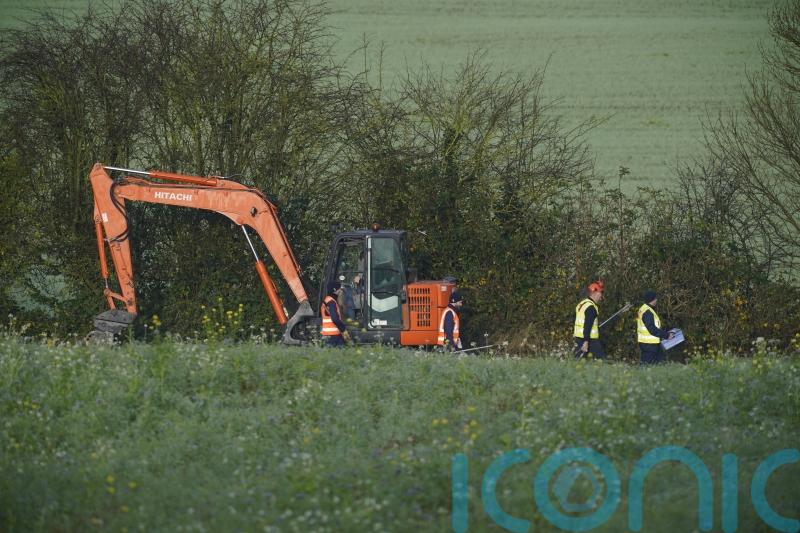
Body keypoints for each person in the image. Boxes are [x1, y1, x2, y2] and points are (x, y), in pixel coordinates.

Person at [637, 289, 673, 364]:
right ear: (652, 299)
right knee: (647, 367)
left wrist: (664, 333)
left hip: (647, 344)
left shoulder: (643, 309)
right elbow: (652, 329)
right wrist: (666, 335)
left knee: (657, 364)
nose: (656, 300)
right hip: (650, 345)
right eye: (655, 298)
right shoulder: (648, 312)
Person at [574, 281, 605, 359]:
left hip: (579, 338)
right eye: (600, 292)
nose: (601, 296)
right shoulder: (591, 307)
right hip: (590, 340)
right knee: (601, 362)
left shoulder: (582, 304)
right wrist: (586, 342)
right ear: (595, 293)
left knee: (579, 362)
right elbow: (587, 325)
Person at [320, 281, 351, 347]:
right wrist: (343, 330)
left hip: (334, 334)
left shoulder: (328, 300)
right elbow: (335, 318)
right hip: (332, 336)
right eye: (339, 289)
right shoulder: (331, 302)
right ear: (335, 290)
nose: (340, 291)